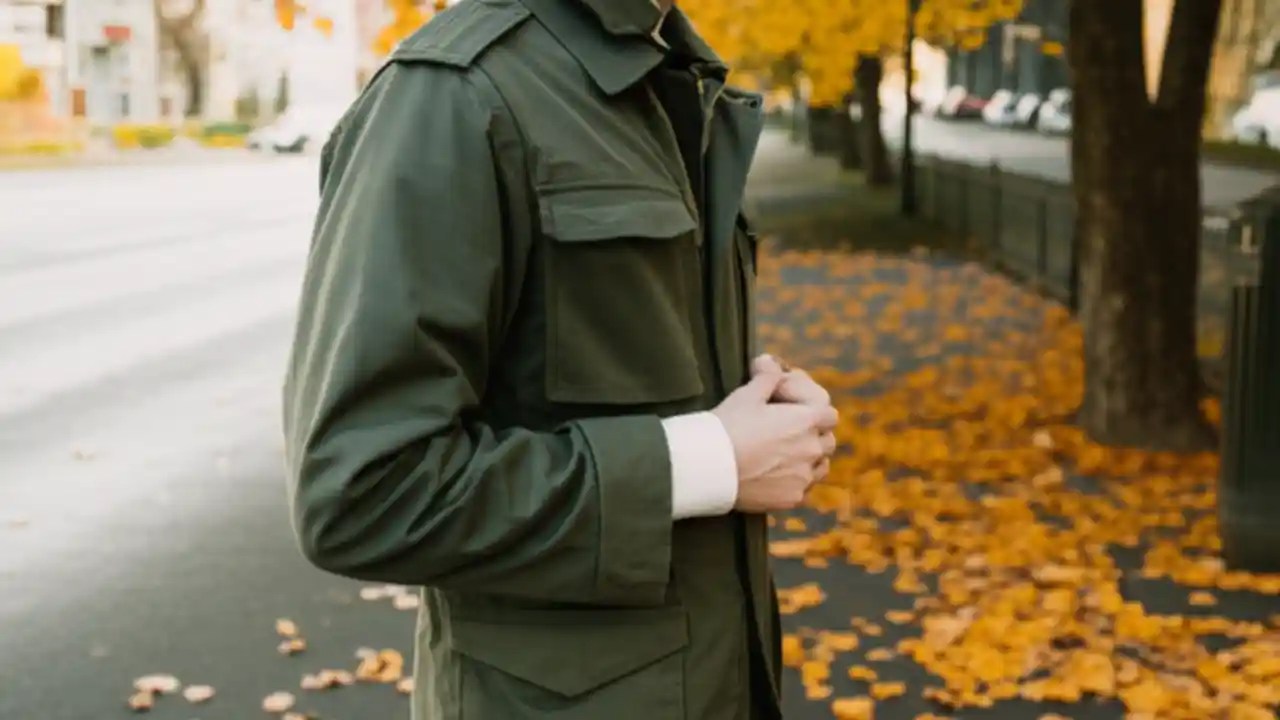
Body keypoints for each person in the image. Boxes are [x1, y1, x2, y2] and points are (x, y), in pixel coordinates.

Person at [281, 1, 838, 718]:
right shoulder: (456, 93)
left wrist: (765, 425)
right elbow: (361, 494)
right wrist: (708, 462)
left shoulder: (666, 73)